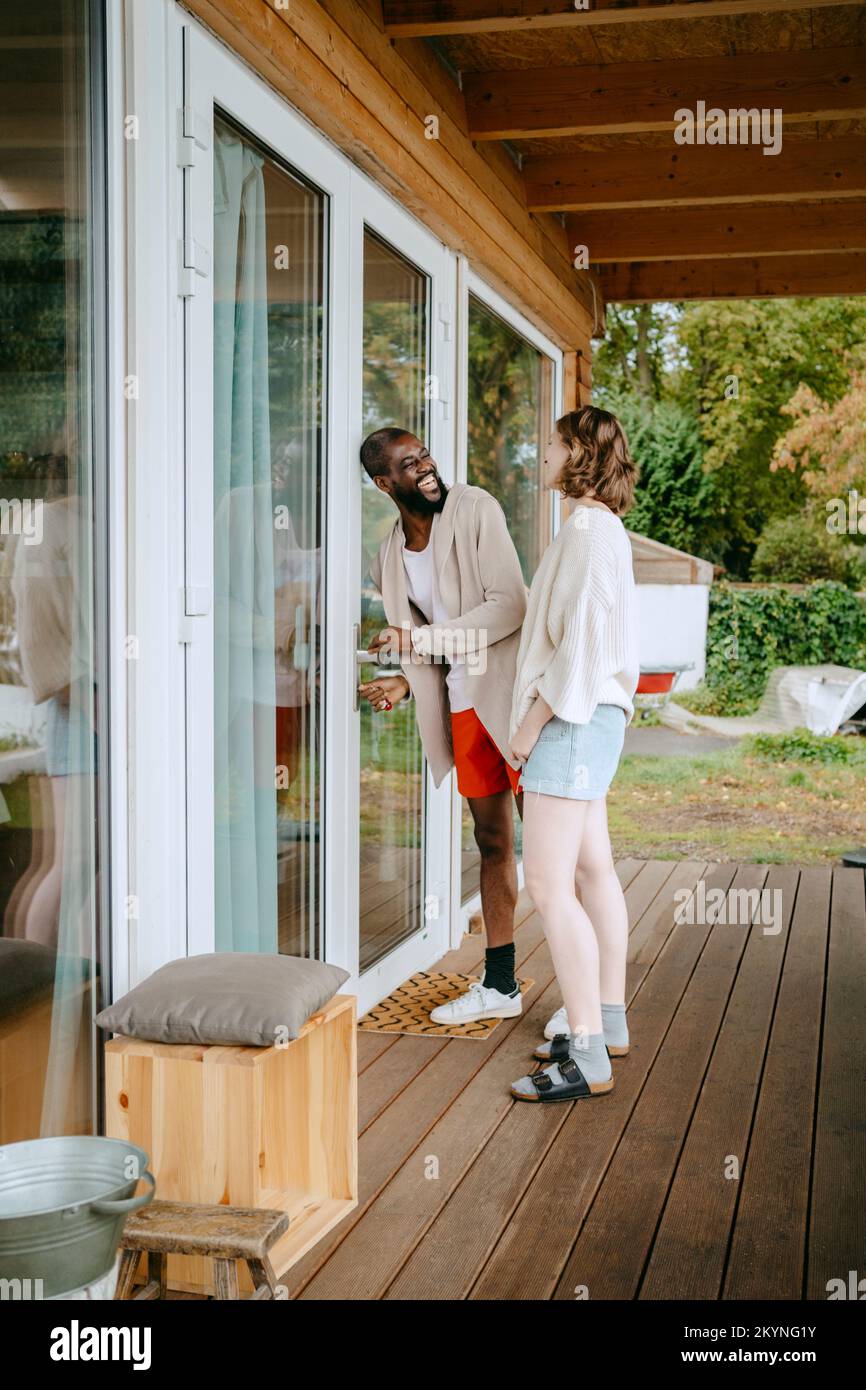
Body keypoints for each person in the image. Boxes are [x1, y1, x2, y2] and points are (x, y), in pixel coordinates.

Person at [358, 428, 527, 1023]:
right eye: (410, 463)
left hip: (517, 700)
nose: (426, 466)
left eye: (425, 454)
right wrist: (405, 680)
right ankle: (502, 984)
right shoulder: (387, 558)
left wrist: (418, 641)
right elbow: (427, 646)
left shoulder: (475, 508)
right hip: (463, 704)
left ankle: (590, 999)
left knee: (562, 850)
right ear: (385, 484)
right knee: (492, 842)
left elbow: (510, 606)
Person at [506, 406, 639, 1103]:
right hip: (591, 722)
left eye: (554, 443)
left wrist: (529, 727)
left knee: (549, 887)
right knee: (592, 870)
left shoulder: (588, 532)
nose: (544, 452)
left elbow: (581, 653)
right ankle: (606, 1021)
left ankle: (586, 1054)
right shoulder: (595, 529)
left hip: (573, 723)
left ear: (578, 453)